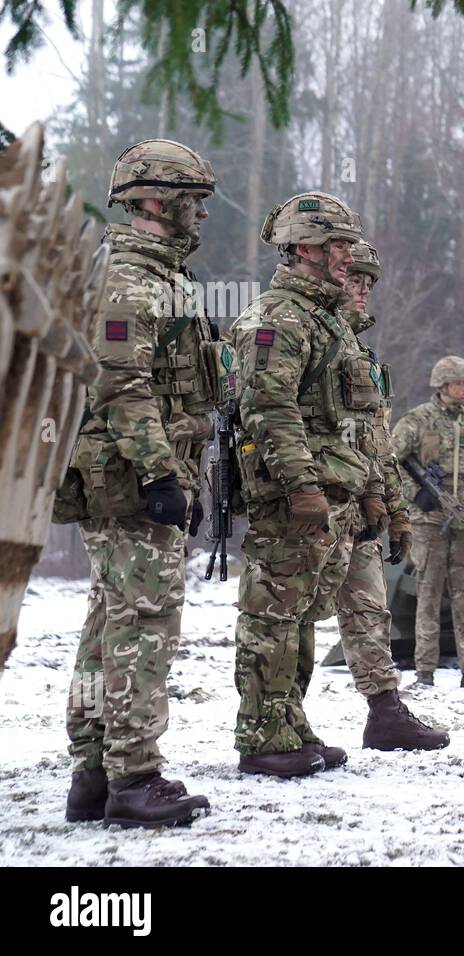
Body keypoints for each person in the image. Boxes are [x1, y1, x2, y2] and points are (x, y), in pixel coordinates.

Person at [64, 139, 219, 827]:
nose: (200, 216)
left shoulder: (162, 277)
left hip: (137, 473)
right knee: (145, 622)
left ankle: (95, 776)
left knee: (110, 621)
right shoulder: (130, 279)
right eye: (192, 201)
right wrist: (160, 471)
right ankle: (134, 776)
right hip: (133, 479)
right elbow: (121, 383)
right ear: (156, 202)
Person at [229, 191, 375, 777]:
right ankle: (262, 737)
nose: (347, 255)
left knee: (302, 613)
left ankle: (290, 724)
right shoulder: (278, 318)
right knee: (273, 613)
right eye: (336, 244)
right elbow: (270, 408)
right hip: (293, 496)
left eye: (346, 243)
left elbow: (350, 420)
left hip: (327, 489)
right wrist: (301, 485)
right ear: (303, 249)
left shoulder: (324, 320)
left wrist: (363, 488)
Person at [324, 239, 450, 749]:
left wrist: (394, 509)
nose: (362, 291)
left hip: (361, 501)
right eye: (353, 279)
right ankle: (274, 722)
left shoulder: (360, 352)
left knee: (369, 608)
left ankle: (384, 710)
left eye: (369, 283)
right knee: (285, 616)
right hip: (316, 498)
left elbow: (377, 440)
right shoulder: (311, 336)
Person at [390, 356, 464, 690]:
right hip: (428, 520)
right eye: (457, 383)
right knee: (428, 592)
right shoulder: (417, 421)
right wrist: (414, 493)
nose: (463, 389)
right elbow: (389, 462)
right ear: (441, 386)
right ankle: (425, 668)